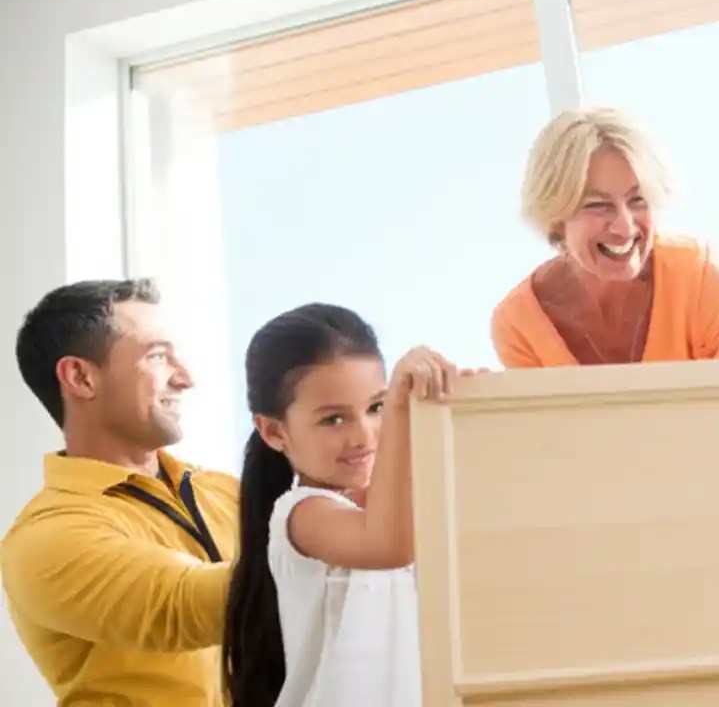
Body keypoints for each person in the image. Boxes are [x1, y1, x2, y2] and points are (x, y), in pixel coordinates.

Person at [222, 303, 478, 706]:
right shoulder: (301, 513)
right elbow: (387, 546)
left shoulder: (395, 506)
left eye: (376, 408)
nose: (365, 436)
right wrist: (399, 410)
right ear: (274, 432)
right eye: (334, 420)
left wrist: (462, 410)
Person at [2, 279, 239, 706]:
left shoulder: (224, 491)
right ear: (80, 377)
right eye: (157, 356)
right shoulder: (46, 538)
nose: (185, 379)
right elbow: (186, 605)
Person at [491, 106, 719, 367]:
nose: (625, 228)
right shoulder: (518, 325)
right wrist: (474, 389)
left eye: (638, 200)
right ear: (556, 217)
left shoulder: (700, 278)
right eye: (597, 205)